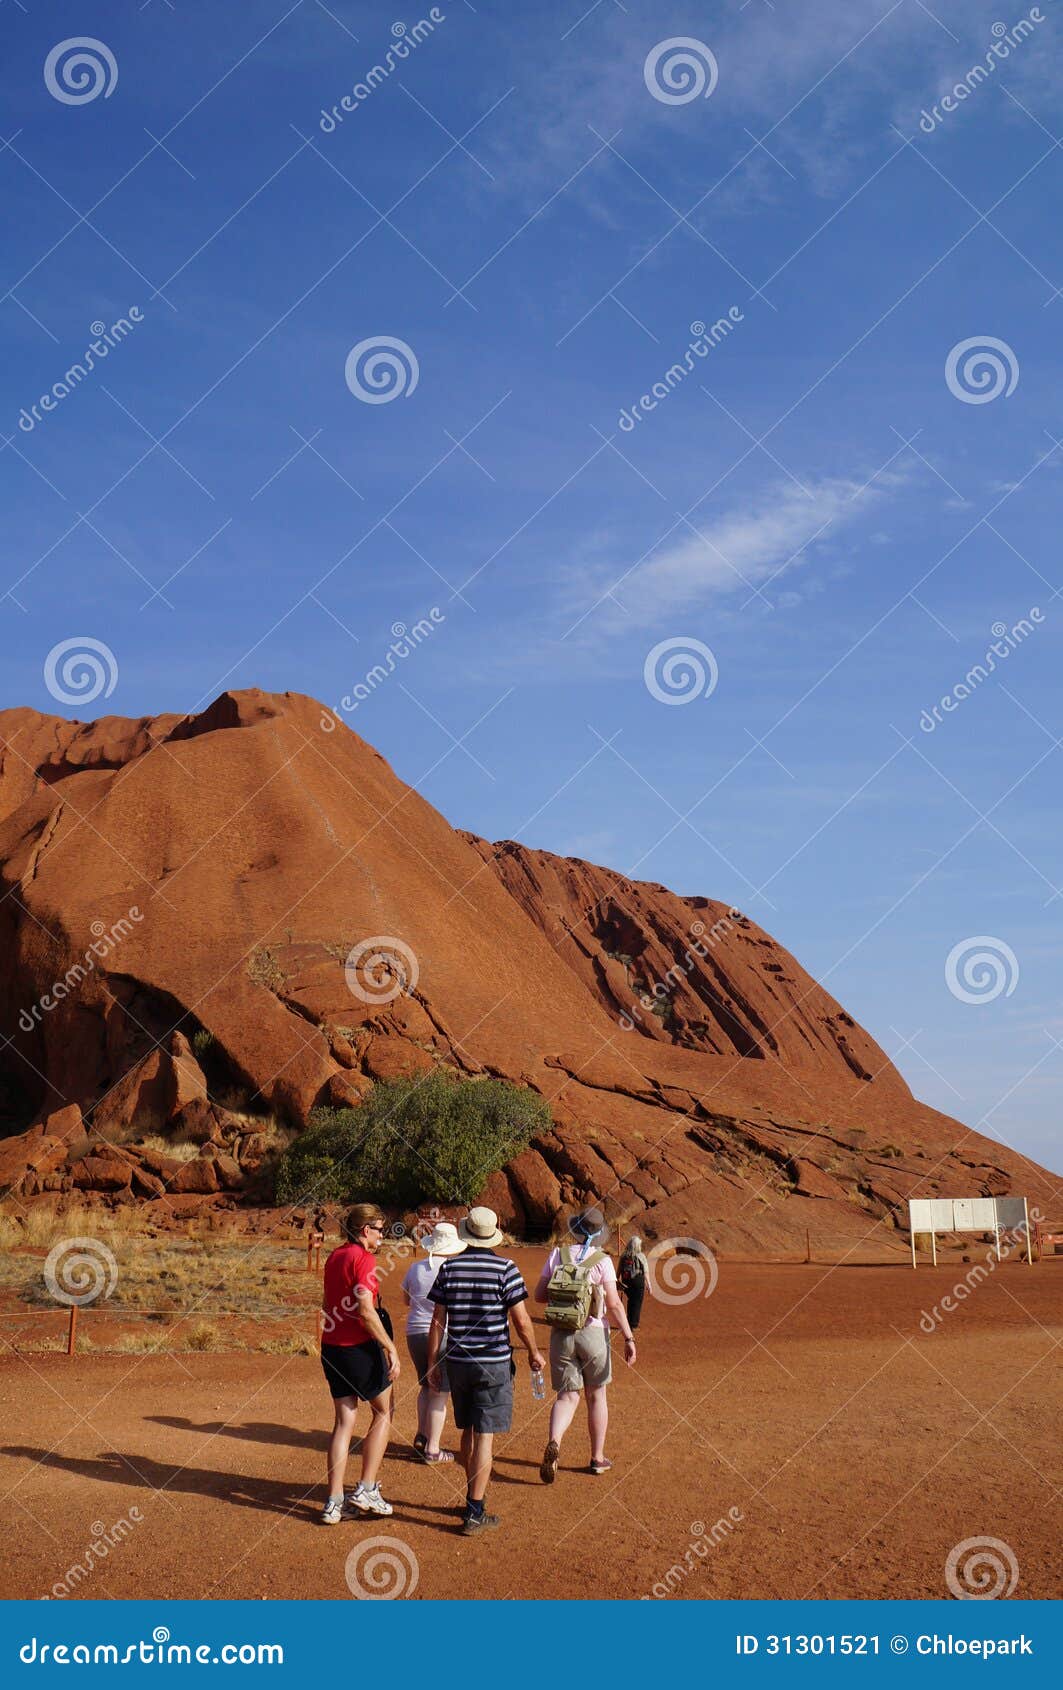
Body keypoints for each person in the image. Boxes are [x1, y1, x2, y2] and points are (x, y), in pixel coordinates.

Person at [425, 1206, 545, 1535]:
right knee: (485, 1436)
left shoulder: (449, 1268)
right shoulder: (506, 1268)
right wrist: (534, 1351)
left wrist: (433, 1361)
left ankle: (471, 1496)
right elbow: (521, 1320)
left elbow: (438, 1319)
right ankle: (475, 1510)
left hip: (459, 1362)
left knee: (467, 1431)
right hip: (493, 1363)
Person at [535, 1207, 636, 1483]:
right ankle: (597, 1458)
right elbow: (614, 1304)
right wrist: (628, 1337)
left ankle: (555, 1442)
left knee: (567, 1397)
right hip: (593, 1333)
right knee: (596, 1396)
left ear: (576, 1229)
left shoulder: (557, 1254)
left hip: (561, 1334)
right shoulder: (602, 1260)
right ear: (599, 1232)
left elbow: (539, 1295)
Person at [319, 1203, 401, 1525]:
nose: (383, 1236)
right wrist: (390, 1347)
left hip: (332, 1348)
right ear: (365, 1231)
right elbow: (366, 1311)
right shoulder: (363, 1259)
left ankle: (334, 1501)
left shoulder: (335, 1256)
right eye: (380, 1230)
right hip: (357, 1349)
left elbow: (328, 1303)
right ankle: (366, 1488)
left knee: (344, 1422)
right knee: (384, 1410)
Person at [401, 1219, 465, 1463]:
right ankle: (433, 1449)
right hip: (444, 1333)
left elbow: (407, 1301)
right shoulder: (454, 1269)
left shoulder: (415, 1268)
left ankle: (422, 1435)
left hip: (414, 1332)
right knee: (440, 1391)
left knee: (426, 1386)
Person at [618, 1235, 648, 1330]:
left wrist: (616, 1281)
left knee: (631, 1301)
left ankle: (628, 1321)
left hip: (626, 1282)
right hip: (637, 1281)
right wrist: (649, 1284)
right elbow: (646, 1271)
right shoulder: (641, 1256)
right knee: (637, 1302)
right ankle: (633, 1325)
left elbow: (619, 1270)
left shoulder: (623, 1256)